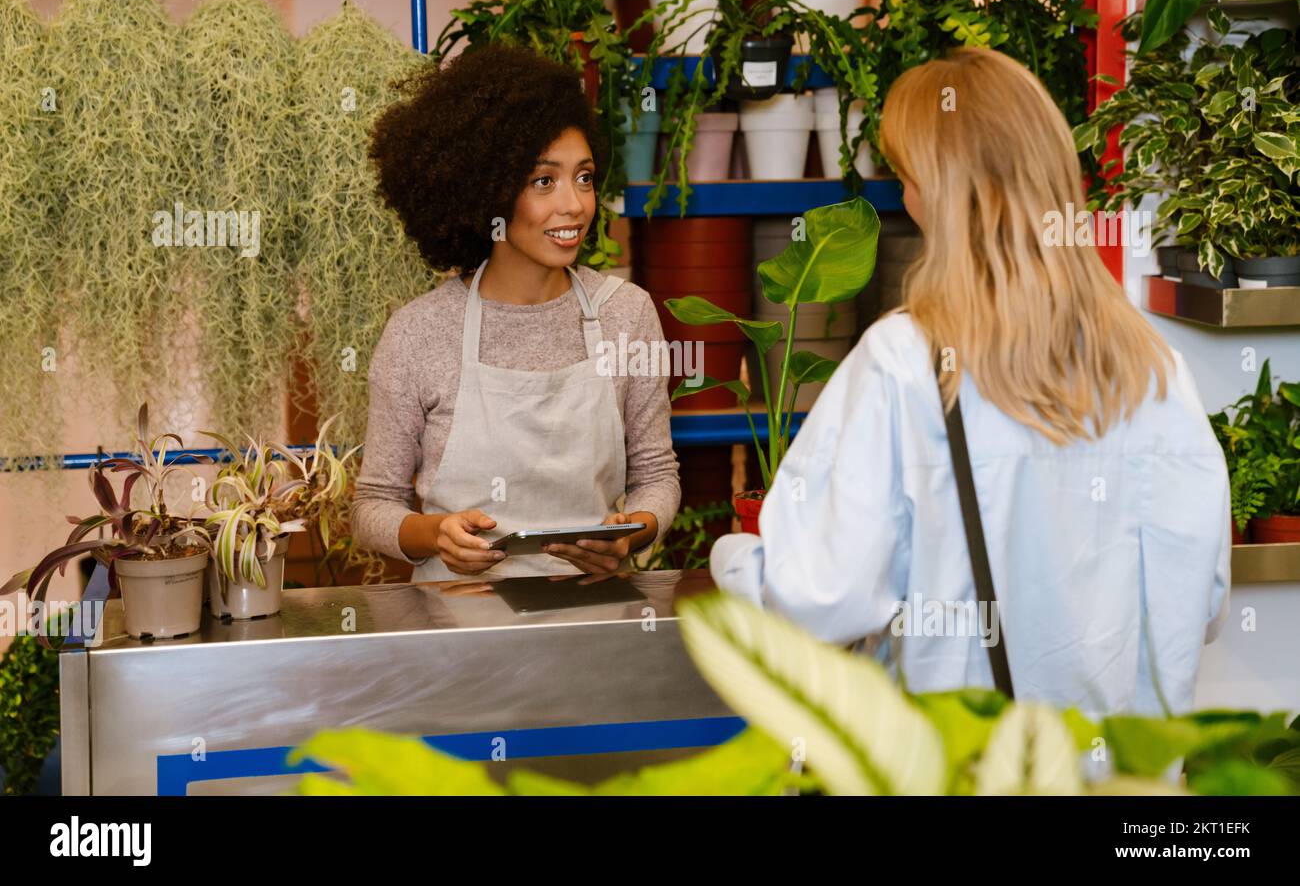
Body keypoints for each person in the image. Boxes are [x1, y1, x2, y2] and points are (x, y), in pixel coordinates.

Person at [710, 47, 1231, 719]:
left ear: (942, 188)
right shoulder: (1156, 371)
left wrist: (734, 562)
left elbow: (817, 600)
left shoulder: (906, 363)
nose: (904, 195)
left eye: (908, 174)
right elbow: (1205, 600)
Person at [353, 44, 680, 582]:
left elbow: (657, 475)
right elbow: (373, 506)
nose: (573, 205)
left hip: (587, 627)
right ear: (490, 190)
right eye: (543, 181)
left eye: (584, 177)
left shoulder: (626, 314)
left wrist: (631, 533)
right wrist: (435, 534)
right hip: (458, 633)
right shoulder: (419, 332)